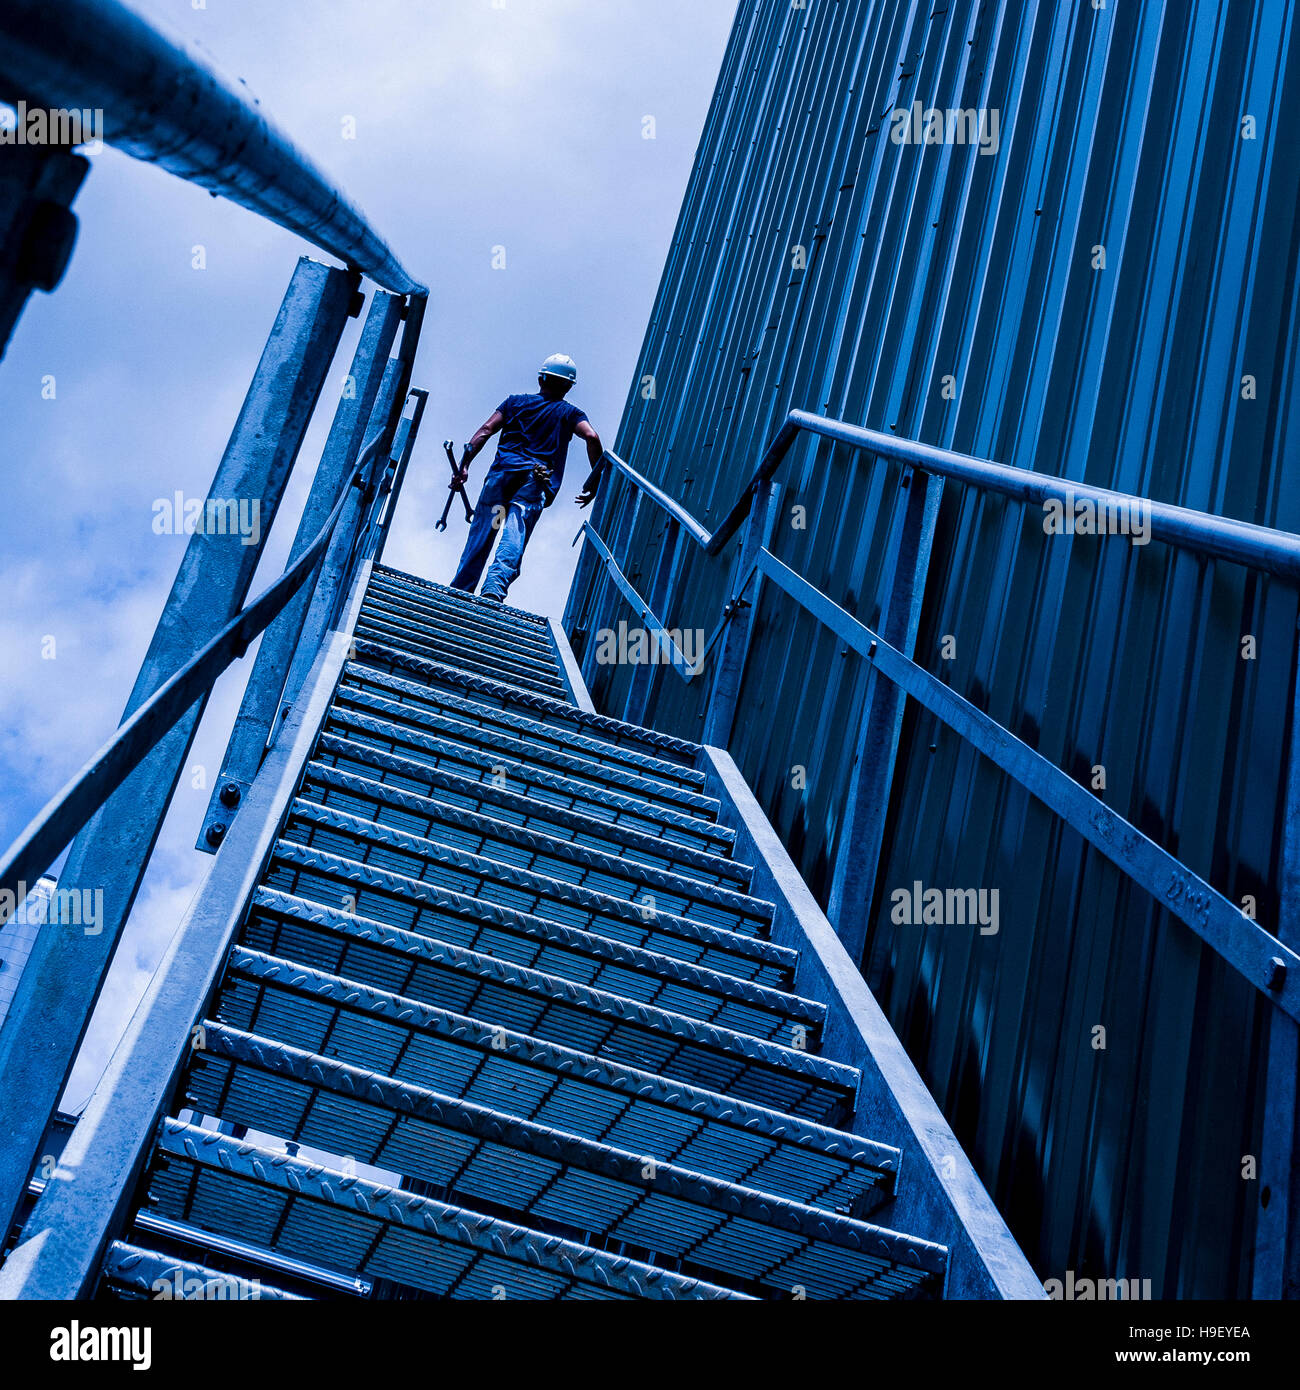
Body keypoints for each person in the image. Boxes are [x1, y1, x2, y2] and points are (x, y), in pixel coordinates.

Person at [447, 353, 605, 603]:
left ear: (541, 377)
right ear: (568, 386)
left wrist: (463, 466)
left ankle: (461, 589)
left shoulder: (514, 403)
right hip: (534, 481)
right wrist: (596, 480)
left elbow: (486, 429)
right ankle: (493, 589)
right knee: (514, 531)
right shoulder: (570, 413)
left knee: (485, 530)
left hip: (502, 476)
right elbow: (593, 437)